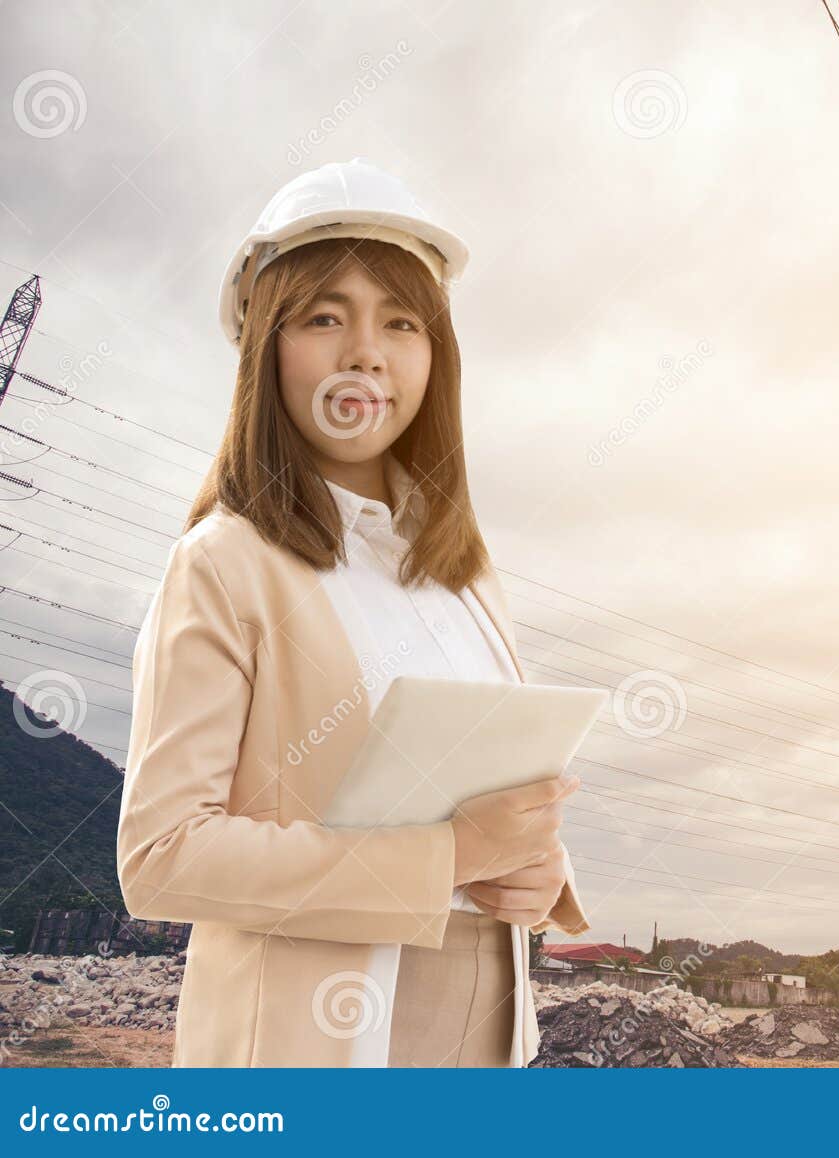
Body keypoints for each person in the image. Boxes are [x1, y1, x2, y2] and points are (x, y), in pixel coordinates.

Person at [115, 157, 589, 1067]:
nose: (366, 351)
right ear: (267, 346)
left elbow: (488, 803)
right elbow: (164, 855)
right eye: (326, 316)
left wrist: (537, 870)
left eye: (401, 322)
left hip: (487, 1035)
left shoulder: (469, 577)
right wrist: (447, 857)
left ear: (434, 357)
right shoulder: (224, 563)